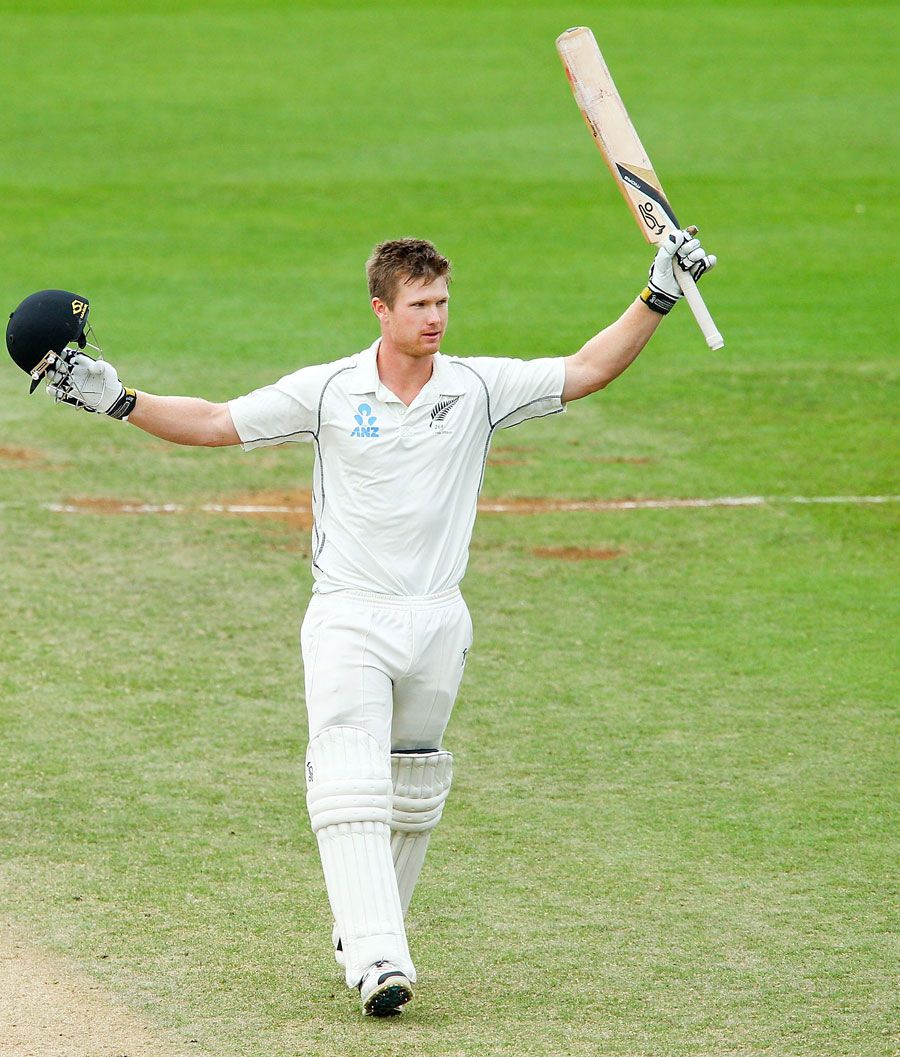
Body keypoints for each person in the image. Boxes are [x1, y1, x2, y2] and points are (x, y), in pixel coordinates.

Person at [6, 230, 715, 1016]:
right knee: (351, 778)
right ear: (381, 309)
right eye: (419, 304)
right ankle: (380, 960)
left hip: (439, 618)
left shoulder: (479, 388)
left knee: (413, 786)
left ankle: (366, 929)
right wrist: (122, 400)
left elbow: (587, 369)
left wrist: (659, 293)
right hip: (348, 614)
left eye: (443, 301)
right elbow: (214, 421)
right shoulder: (331, 390)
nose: (436, 317)